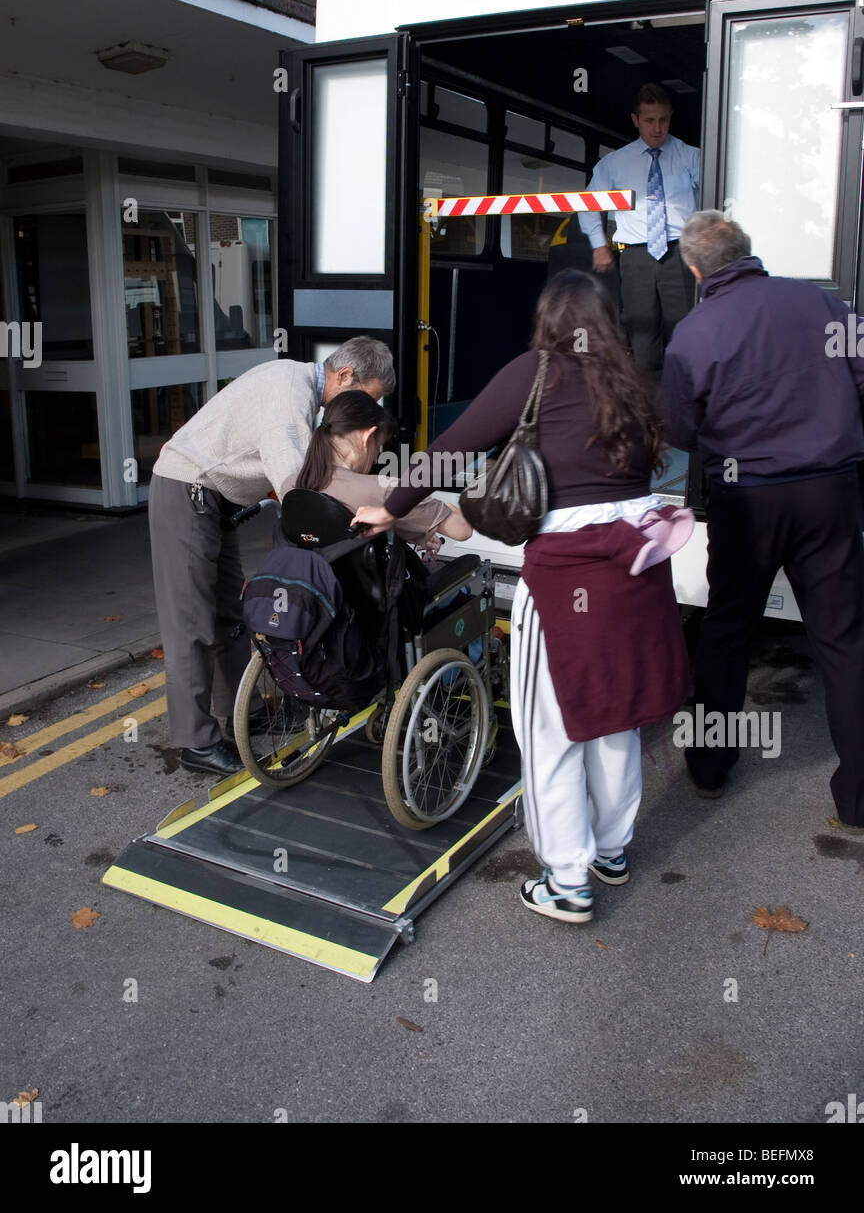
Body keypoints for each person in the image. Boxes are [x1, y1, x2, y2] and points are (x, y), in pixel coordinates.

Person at [355, 271, 692, 924]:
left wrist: (388, 507)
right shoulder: (634, 380)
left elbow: (451, 448)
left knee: (552, 727)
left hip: (569, 581)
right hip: (637, 574)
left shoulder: (537, 371)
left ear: (549, 319)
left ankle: (567, 880)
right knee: (614, 715)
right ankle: (612, 851)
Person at [659, 211, 864, 828]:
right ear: (749, 252)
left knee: (727, 631)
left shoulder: (694, 334)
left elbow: (678, 429)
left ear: (695, 270)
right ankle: (857, 799)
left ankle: (709, 769)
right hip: (830, 492)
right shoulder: (823, 306)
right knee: (845, 641)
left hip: (745, 499)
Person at [148, 337, 395, 777]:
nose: (363, 415)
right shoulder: (289, 396)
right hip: (186, 493)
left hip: (213, 501)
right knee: (191, 624)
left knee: (228, 615)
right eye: (365, 397)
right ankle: (195, 743)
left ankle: (242, 714)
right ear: (344, 377)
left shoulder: (298, 387)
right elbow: (297, 490)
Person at [577, 83, 700, 376]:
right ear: (635, 120)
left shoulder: (692, 157)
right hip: (635, 258)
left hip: (681, 255)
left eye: (663, 120)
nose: (657, 128)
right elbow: (589, 203)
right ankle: (648, 411)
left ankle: (682, 410)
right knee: (642, 337)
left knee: (684, 335)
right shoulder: (614, 163)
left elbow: (715, 201)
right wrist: (598, 244)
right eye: (649, 120)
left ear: (671, 116)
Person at [289, 389, 471, 550]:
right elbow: (463, 529)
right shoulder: (384, 490)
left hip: (319, 584)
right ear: (367, 437)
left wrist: (409, 529)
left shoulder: (292, 484)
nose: (376, 458)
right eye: (379, 446)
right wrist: (439, 503)